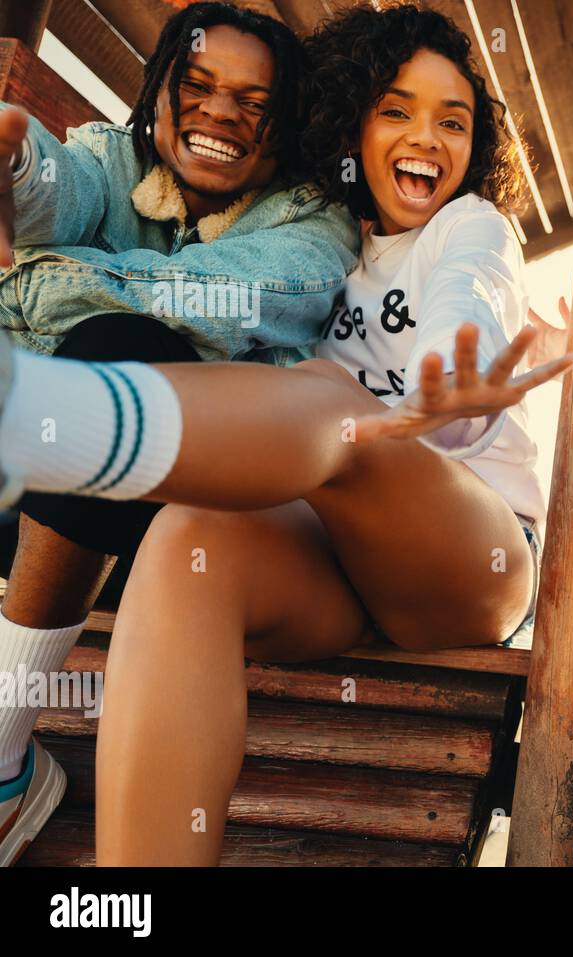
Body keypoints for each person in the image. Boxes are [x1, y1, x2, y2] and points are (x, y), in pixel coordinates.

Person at [0, 3, 571, 865]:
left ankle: (63, 414)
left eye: (453, 121)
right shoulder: (320, 246)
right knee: (188, 545)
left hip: (465, 555)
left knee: (334, 402)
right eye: (398, 111)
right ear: (347, 120)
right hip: (330, 563)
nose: (428, 137)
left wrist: (451, 378)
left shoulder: (467, 228)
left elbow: (473, 298)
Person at [0, 1, 358, 864]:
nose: (220, 113)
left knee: (119, 352)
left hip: (180, 545)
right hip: (40, 508)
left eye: (253, 101)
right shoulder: (110, 157)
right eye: (195, 85)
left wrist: (37, 286)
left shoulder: (312, 223)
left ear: (287, 127)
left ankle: (4, 756)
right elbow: (57, 189)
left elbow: (214, 300)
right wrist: (14, 160)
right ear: (156, 95)